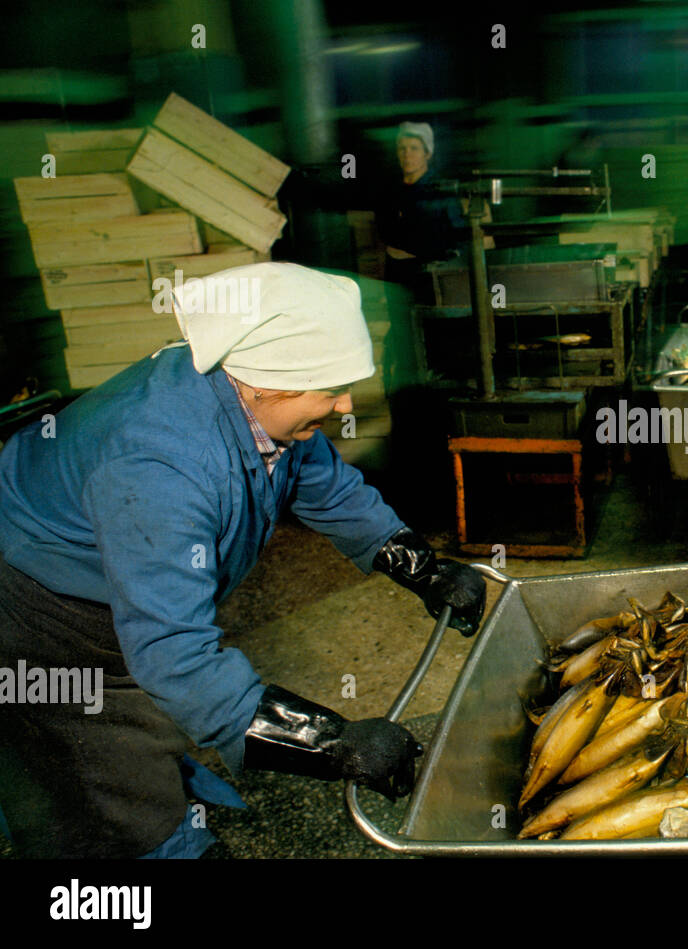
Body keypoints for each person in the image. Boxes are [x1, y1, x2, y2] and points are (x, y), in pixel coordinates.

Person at [0, 262, 486, 859]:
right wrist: (330, 743)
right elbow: (175, 655)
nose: (344, 403)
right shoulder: (160, 467)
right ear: (266, 382)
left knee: (147, 724)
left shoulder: (262, 412)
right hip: (44, 610)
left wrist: (420, 566)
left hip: (122, 583)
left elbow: (325, 486)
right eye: (330, 388)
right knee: (106, 781)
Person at [375, 121, 469, 393]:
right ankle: (403, 392)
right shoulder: (391, 193)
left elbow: (454, 238)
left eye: (414, 148)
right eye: (402, 148)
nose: (407, 154)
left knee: (432, 337)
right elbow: (387, 233)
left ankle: (433, 391)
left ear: (427, 154)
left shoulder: (439, 191)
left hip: (430, 276)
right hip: (398, 275)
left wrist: (420, 247)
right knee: (402, 335)